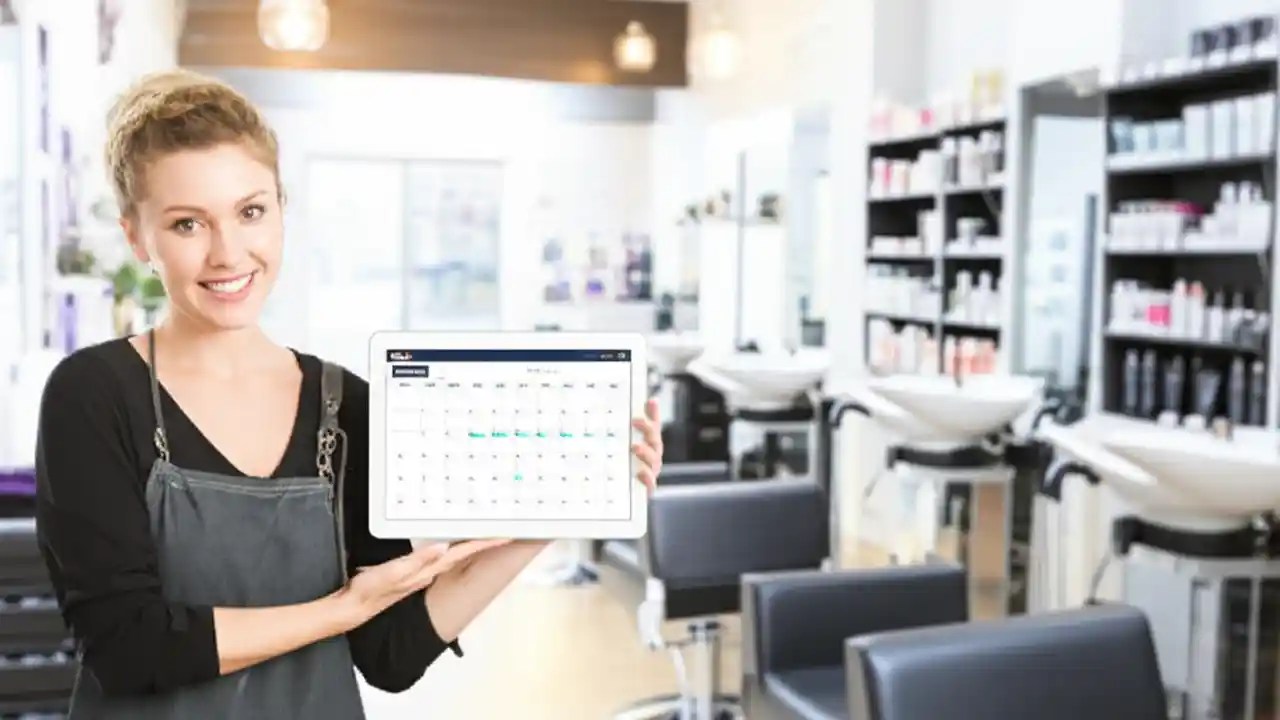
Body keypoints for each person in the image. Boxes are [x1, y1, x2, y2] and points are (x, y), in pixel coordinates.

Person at [33, 69, 664, 719]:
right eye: (188, 224)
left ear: (280, 207)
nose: (228, 252)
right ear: (138, 236)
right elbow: (129, 646)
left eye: (251, 211)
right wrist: (341, 608)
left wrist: (555, 516)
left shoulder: (346, 406)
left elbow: (388, 652)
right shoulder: (92, 396)